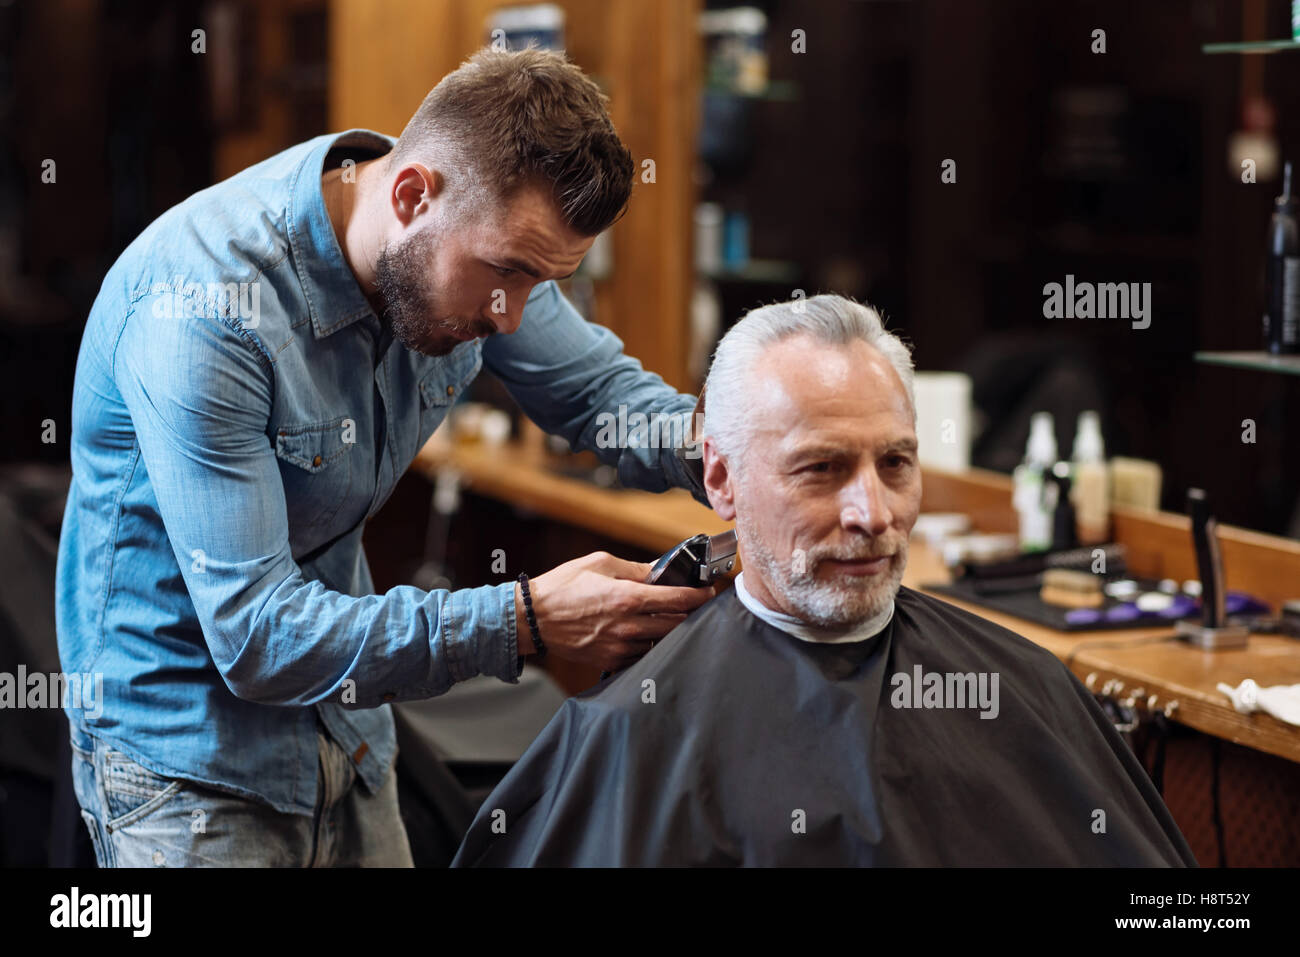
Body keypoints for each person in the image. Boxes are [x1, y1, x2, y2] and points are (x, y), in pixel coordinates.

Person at [57, 48, 712, 867]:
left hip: (349, 731)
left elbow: (596, 395)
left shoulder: (475, 243)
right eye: (507, 272)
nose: (511, 319)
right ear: (411, 196)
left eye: (539, 283)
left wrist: (733, 450)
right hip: (188, 768)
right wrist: (526, 620)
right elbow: (256, 635)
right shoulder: (208, 309)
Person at [453, 294, 1197, 867]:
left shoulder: (1027, 685)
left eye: (896, 464)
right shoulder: (631, 728)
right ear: (721, 477)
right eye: (822, 468)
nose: (872, 513)